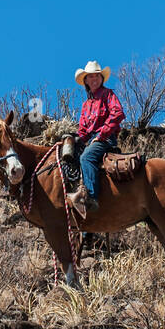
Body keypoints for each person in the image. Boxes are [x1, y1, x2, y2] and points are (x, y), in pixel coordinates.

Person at [69, 60, 125, 216]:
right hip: (93, 139)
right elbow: (83, 131)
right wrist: (74, 139)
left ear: (101, 79)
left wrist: (101, 135)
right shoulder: (86, 105)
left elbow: (118, 113)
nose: (94, 79)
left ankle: (91, 198)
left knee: (86, 158)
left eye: (97, 76)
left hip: (106, 138)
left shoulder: (108, 94)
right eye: (90, 77)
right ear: (85, 81)